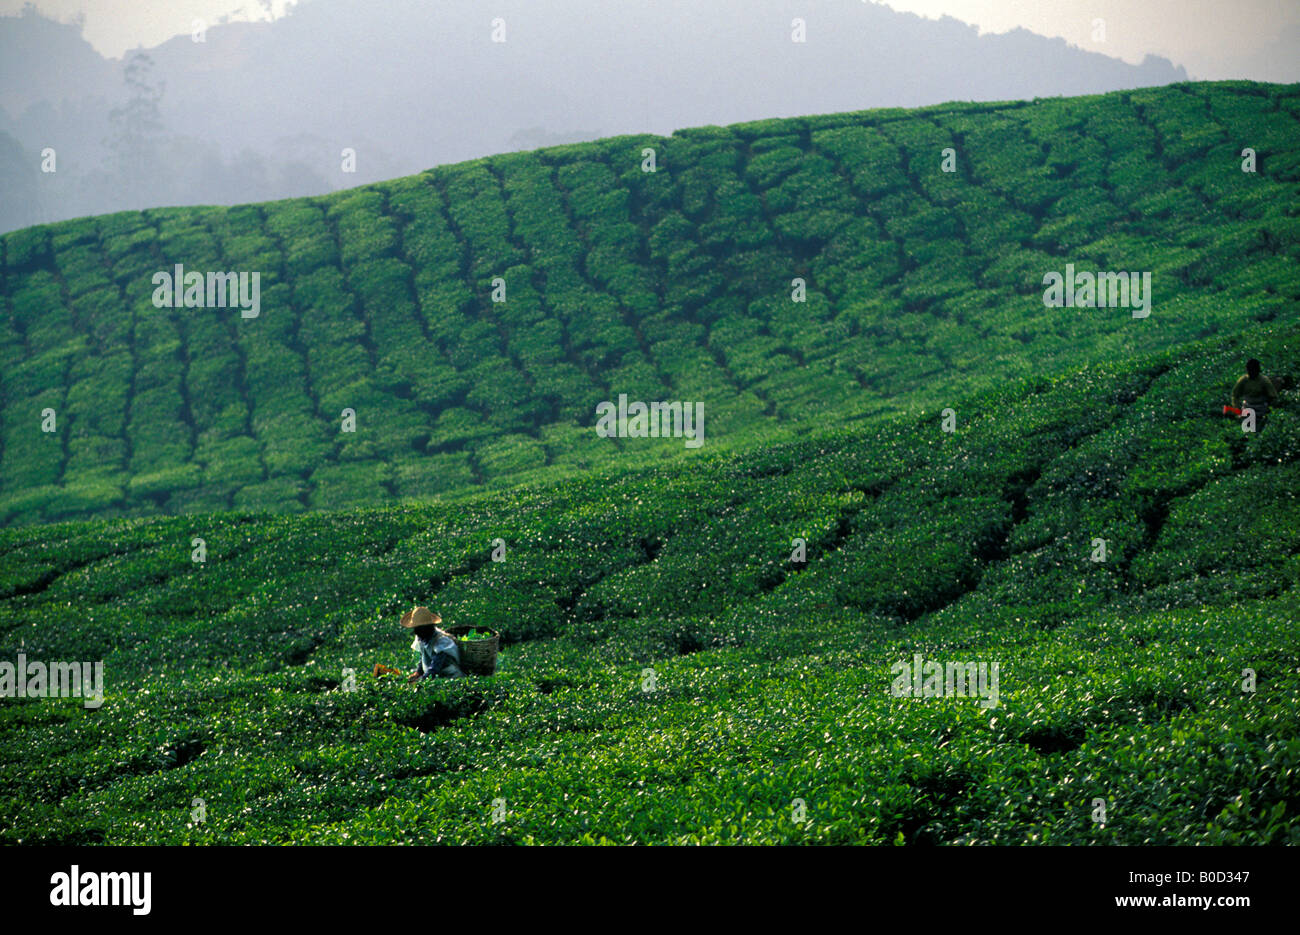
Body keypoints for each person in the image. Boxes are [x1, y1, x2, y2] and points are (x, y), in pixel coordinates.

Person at [400, 606, 464, 681]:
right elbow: (423, 656)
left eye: (421, 628)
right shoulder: (422, 638)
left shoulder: (441, 641)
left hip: (451, 677)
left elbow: (435, 667)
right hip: (435, 677)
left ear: (428, 627)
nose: (418, 631)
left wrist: (421, 680)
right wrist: (418, 672)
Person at [1231, 358, 1280, 424]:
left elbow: (1274, 397)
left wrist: (1270, 410)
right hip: (1248, 405)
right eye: (1250, 370)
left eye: (1253, 370)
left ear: (1257, 370)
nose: (1251, 372)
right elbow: (1235, 395)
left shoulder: (1264, 380)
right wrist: (1237, 409)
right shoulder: (1243, 380)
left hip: (1261, 406)